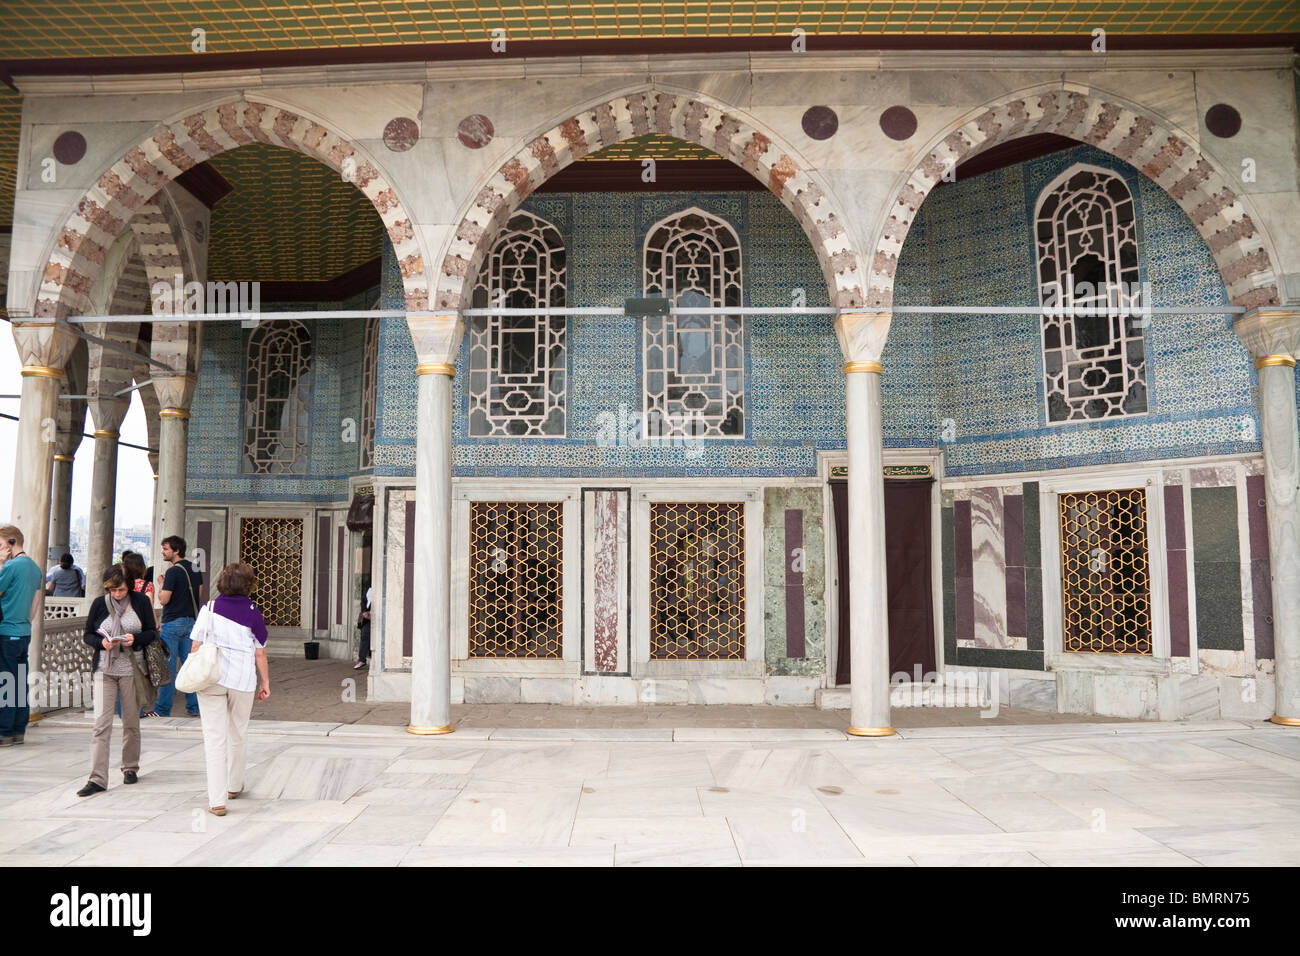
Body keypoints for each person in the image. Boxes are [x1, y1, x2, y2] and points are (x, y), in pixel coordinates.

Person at [193, 562, 269, 816]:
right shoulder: (253, 612)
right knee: (238, 732)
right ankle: (234, 785)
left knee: (214, 739)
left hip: (212, 678)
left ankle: (217, 801)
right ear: (249, 585)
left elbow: (196, 646)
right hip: (242, 680)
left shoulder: (209, 609)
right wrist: (265, 682)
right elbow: (260, 653)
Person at [77, 564, 157, 795]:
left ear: (129, 586)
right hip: (104, 668)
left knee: (131, 721)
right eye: (113, 591)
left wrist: (136, 638)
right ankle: (97, 779)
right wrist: (101, 643)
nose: (117, 594)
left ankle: (130, 767)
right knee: (101, 724)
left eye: (121, 590)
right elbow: (87, 634)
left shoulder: (140, 602)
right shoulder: (99, 604)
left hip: (133, 669)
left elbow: (152, 631)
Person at [0, 525, 44, 747]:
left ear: (11, 543)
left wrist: (0, 563)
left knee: (6, 683)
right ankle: (18, 730)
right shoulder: (35, 568)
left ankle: (4, 731)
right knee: (18, 682)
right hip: (24, 631)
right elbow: (34, 607)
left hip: (6, 631)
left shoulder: (12, 567)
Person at [154, 536, 204, 719]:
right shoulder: (194, 568)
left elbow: (163, 599)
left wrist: (161, 585)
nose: (163, 552)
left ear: (176, 550)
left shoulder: (173, 572)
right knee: (189, 667)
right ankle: (194, 706)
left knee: (168, 669)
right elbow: (198, 594)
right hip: (191, 622)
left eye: (166, 549)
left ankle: (162, 709)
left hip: (172, 623)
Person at [354, 585, 372, 670]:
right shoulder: (367, 588)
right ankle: (362, 659)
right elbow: (363, 601)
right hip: (367, 617)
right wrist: (364, 612)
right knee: (364, 636)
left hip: (378, 617)